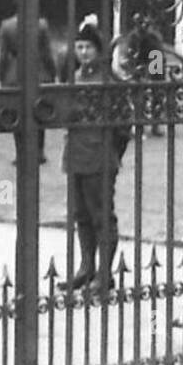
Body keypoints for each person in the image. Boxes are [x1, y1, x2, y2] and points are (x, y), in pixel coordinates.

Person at [59, 15, 130, 291]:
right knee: (81, 214)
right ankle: (86, 267)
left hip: (99, 157)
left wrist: (112, 153)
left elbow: (124, 125)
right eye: (79, 47)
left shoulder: (109, 81)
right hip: (75, 155)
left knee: (101, 215)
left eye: (88, 47)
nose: (83, 52)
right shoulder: (75, 77)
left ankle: (104, 273)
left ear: (98, 50)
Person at [0, 12, 58, 163]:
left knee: (16, 113)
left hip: (14, 73)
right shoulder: (41, 24)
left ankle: (20, 153)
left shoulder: (7, 25)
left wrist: (2, 75)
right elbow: (46, 53)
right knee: (40, 111)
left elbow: (3, 56)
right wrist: (52, 72)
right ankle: (39, 151)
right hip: (38, 71)